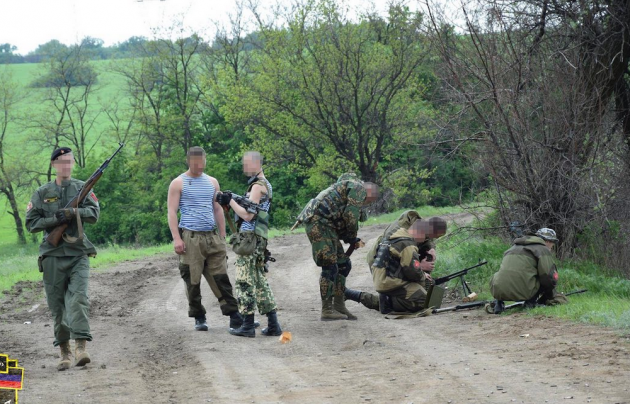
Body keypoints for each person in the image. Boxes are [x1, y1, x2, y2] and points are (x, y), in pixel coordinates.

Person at [25, 147, 100, 371]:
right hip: (52, 255)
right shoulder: (42, 192)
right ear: (54, 165)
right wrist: (54, 219)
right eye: (62, 162)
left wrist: (73, 213)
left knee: (78, 299)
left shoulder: (81, 188)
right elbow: (31, 223)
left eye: (70, 161)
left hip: (78, 253)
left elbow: (94, 215)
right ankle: (64, 351)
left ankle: (81, 348)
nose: (66, 165)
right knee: (57, 306)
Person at [167, 147, 252, 331]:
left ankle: (233, 315)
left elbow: (217, 209)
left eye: (202, 162)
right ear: (189, 162)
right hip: (190, 237)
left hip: (212, 237)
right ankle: (198, 315)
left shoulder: (212, 182)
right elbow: (172, 212)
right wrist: (176, 239)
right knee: (192, 280)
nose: (200, 166)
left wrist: (222, 235)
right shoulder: (178, 183)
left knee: (220, 277)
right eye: (196, 163)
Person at [296, 173, 378, 321]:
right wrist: (352, 238)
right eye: (367, 202)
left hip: (327, 225)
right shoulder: (359, 189)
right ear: (369, 194)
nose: (365, 204)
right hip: (318, 223)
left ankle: (339, 306)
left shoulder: (351, 187)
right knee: (330, 266)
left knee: (344, 264)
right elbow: (350, 216)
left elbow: (342, 217)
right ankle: (327, 309)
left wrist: (349, 238)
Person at [217, 151, 282, 338]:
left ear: (256, 164)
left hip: (249, 238)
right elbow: (249, 206)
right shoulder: (265, 184)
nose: (244, 168)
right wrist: (234, 198)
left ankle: (247, 325)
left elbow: (248, 215)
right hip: (259, 237)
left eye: (247, 164)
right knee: (260, 281)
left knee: (244, 281)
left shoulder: (257, 187)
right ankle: (273, 324)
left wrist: (229, 200)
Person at [345, 213, 447, 313]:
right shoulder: (406, 240)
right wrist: (421, 272)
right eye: (428, 236)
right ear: (424, 231)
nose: (428, 239)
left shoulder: (413, 230)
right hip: (382, 266)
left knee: (420, 290)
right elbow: (411, 270)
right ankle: (385, 301)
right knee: (423, 301)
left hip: (392, 267)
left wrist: (431, 249)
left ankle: (387, 297)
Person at [489, 227, 566, 314]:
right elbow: (548, 276)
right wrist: (551, 295)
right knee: (546, 278)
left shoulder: (512, 248)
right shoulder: (542, 249)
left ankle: (498, 304)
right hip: (523, 290)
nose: (553, 246)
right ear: (548, 241)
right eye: (553, 242)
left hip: (498, 289)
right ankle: (530, 303)